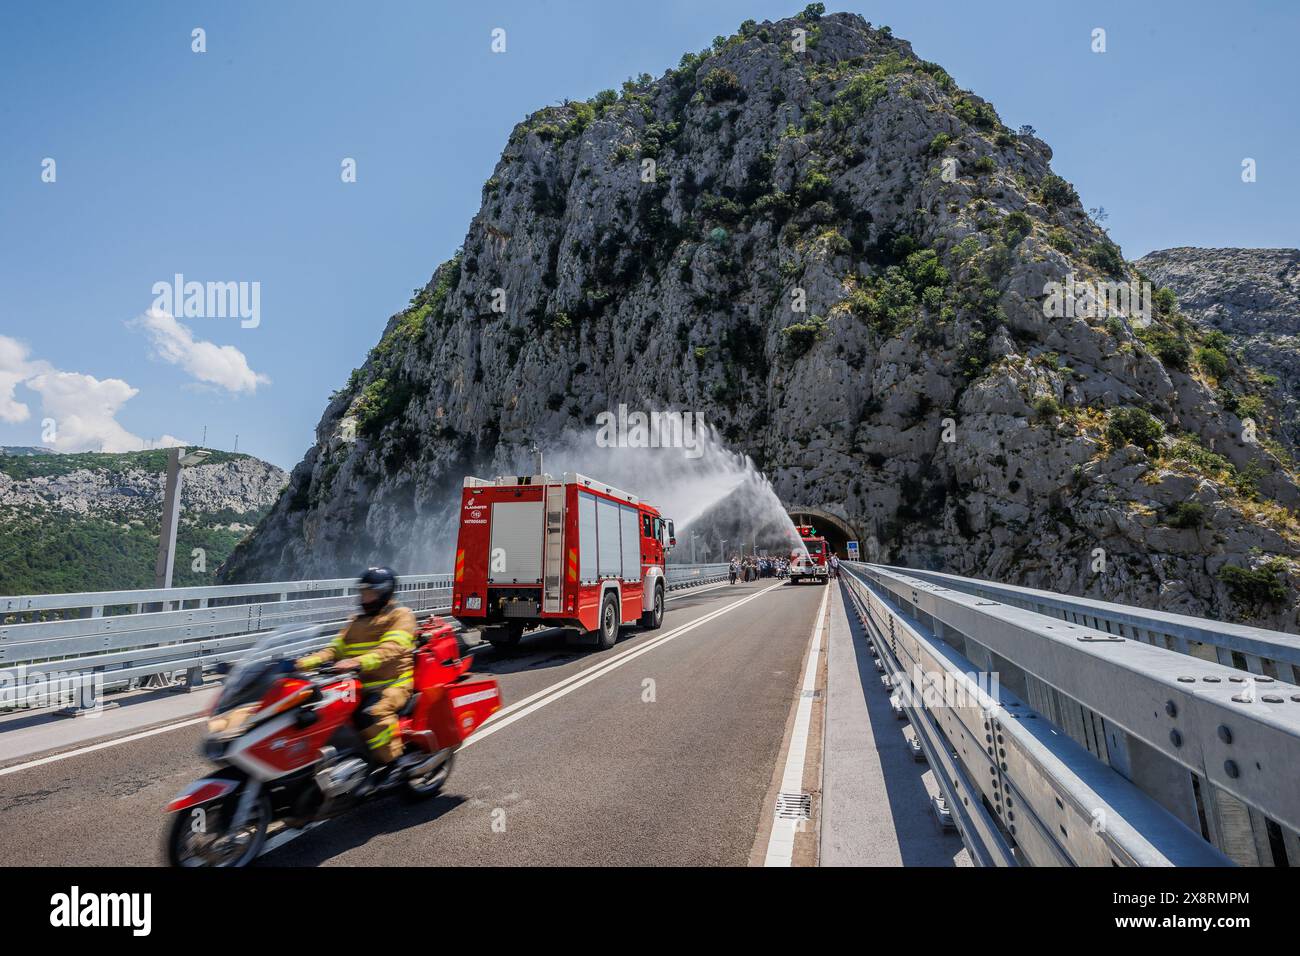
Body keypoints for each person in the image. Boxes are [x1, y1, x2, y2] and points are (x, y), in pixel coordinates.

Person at [296, 566, 416, 767]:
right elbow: (334, 650)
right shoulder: (355, 621)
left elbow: (392, 648)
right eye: (363, 593)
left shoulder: (400, 615)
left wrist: (357, 661)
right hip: (356, 686)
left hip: (391, 685)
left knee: (372, 714)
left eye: (369, 593)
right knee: (320, 710)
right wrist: (303, 662)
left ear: (383, 592)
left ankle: (394, 762)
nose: (364, 598)